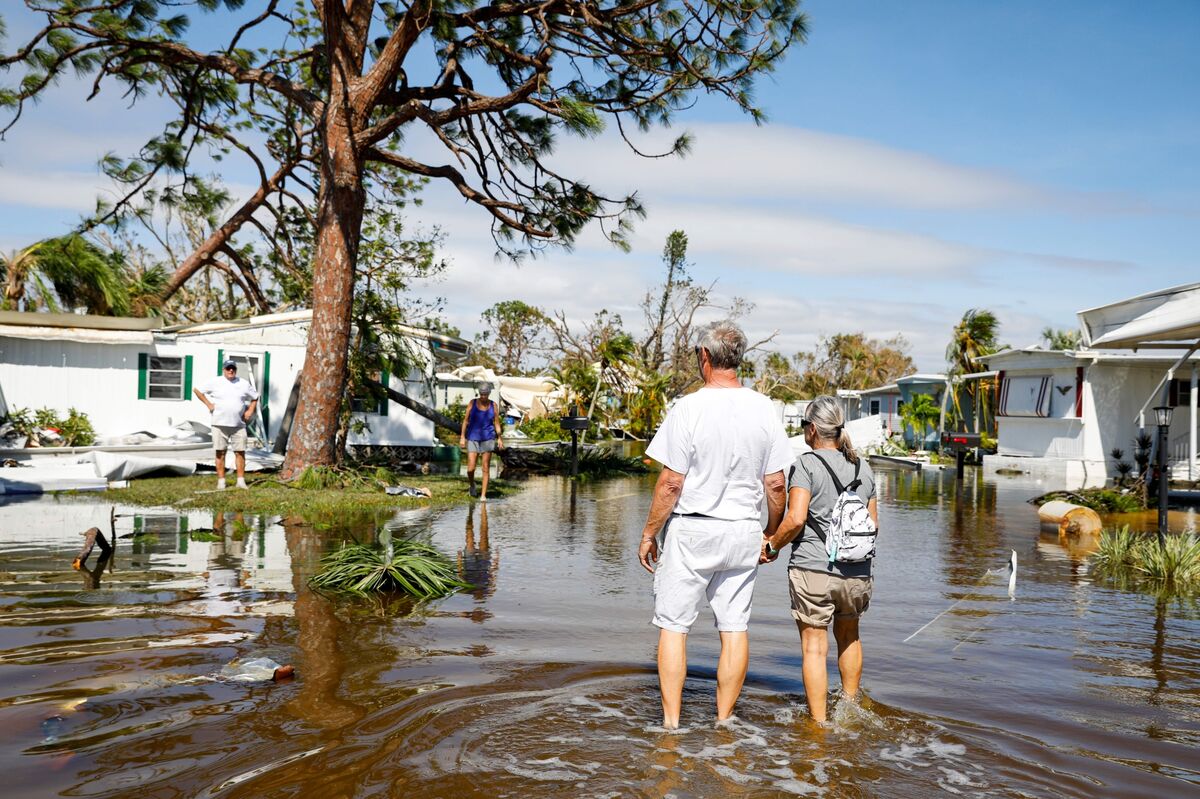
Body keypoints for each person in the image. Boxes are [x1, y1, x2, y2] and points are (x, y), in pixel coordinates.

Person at [637, 321, 792, 729]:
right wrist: (771, 534)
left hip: (693, 530)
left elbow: (671, 482)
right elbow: (776, 484)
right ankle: (724, 722)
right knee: (734, 627)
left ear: (704, 357)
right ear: (738, 358)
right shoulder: (764, 408)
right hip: (743, 530)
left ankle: (671, 726)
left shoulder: (688, 408)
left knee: (674, 626)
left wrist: (649, 533)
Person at [760, 395, 879, 724]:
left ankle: (820, 725)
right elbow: (874, 525)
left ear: (812, 429)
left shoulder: (806, 465)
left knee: (814, 647)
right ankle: (850, 710)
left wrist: (772, 546)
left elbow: (796, 518)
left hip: (814, 568)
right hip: (858, 573)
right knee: (849, 637)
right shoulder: (863, 467)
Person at [194, 359, 259, 490]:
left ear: (235, 370)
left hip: (238, 425)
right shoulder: (215, 382)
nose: (231, 370)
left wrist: (250, 410)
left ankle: (240, 481)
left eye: (233, 368)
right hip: (219, 424)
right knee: (220, 452)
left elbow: (255, 396)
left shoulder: (243, 383)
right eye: (228, 368)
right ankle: (221, 481)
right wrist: (208, 404)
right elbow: (197, 390)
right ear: (223, 369)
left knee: (240, 452)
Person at [459, 381, 504, 501]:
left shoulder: (493, 405)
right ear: (479, 393)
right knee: (470, 468)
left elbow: (496, 423)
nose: (483, 396)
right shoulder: (472, 403)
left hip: (488, 438)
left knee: (485, 468)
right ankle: (472, 485)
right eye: (482, 394)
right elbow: (465, 421)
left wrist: (499, 437)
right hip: (473, 437)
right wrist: (462, 437)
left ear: (489, 393)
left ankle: (483, 495)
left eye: (485, 394)